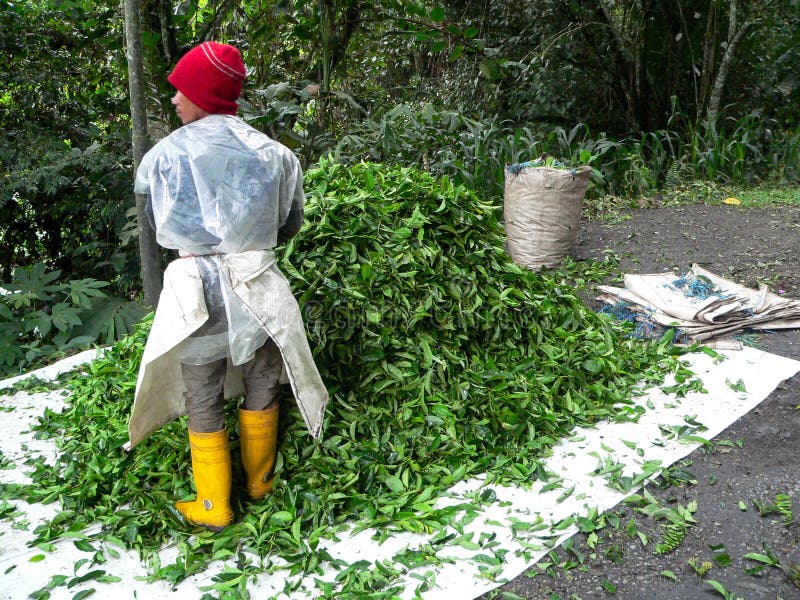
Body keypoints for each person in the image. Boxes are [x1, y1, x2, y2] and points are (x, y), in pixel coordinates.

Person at [126, 42, 329, 531]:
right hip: (257, 284)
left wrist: (205, 245)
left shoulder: (163, 157)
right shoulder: (277, 155)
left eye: (182, 89)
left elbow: (154, 223)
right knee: (263, 375)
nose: (175, 99)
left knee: (202, 387)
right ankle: (260, 483)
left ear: (204, 93)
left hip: (195, 286)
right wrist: (245, 241)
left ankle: (214, 505)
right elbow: (290, 223)